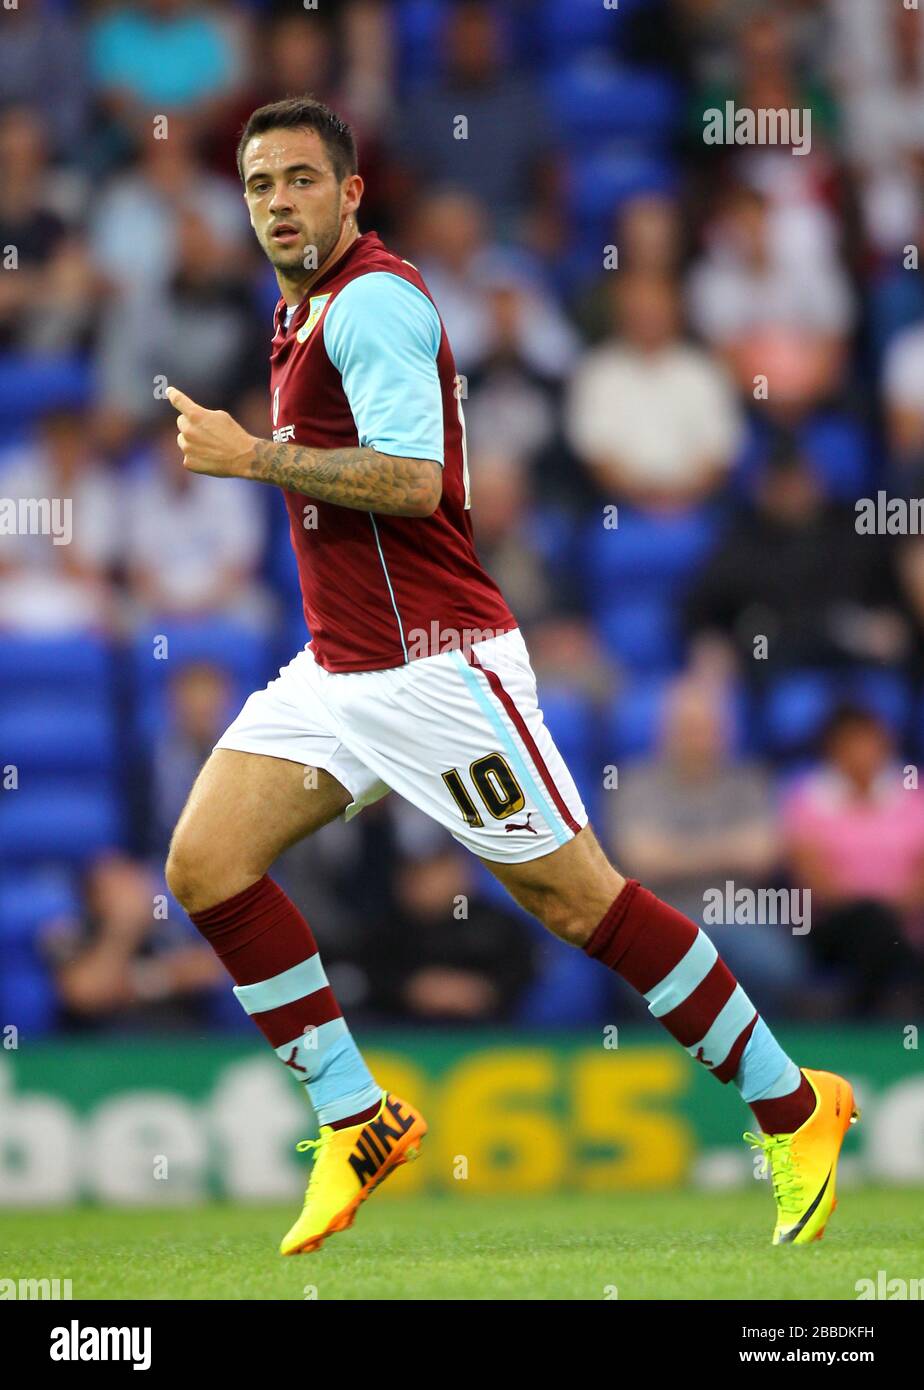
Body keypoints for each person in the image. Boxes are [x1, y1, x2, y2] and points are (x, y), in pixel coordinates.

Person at [163, 97, 858, 1257]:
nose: (278, 202)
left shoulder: (373, 303)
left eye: (298, 180)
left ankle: (797, 1105)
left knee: (579, 900)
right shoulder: (299, 312)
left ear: (350, 193)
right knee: (205, 863)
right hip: (341, 672)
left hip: (437, 671)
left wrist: (253, 457)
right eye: (258, 184)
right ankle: (356, 1114)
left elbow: (416, 483)